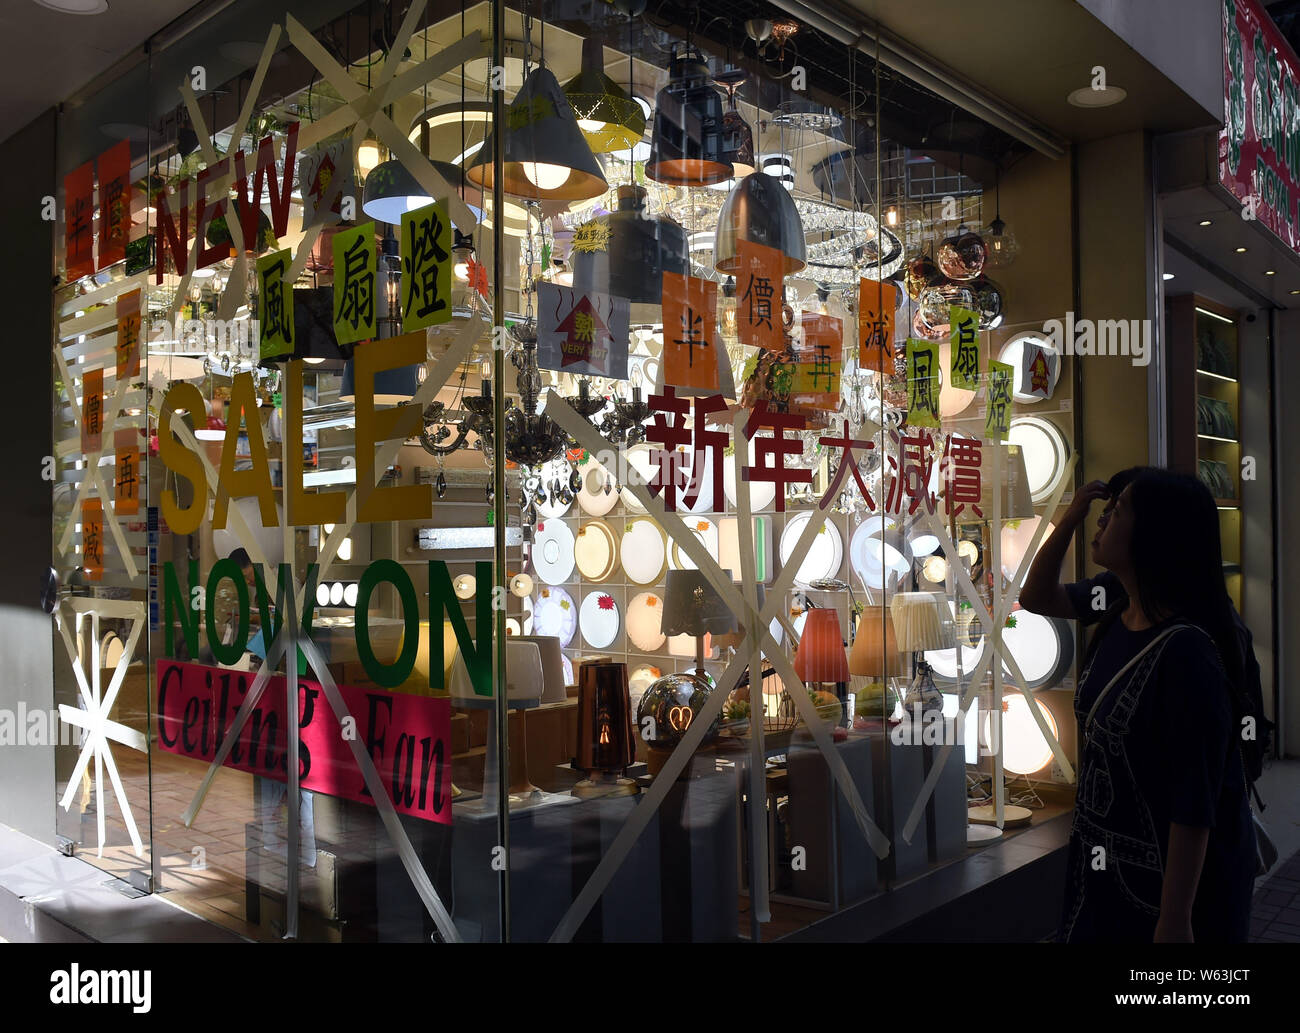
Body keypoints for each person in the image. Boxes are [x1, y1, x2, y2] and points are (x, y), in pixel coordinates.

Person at [1023, 468, 1256, 942]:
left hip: (1158, 886)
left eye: (1118, 510)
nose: (1102, 519)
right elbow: (1034, 596)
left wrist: (1175, 919)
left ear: (1155, 534)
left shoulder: (1188, 649)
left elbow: (1193, 801)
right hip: (1104, 866)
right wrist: (1067, 521)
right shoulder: (1117, 607)